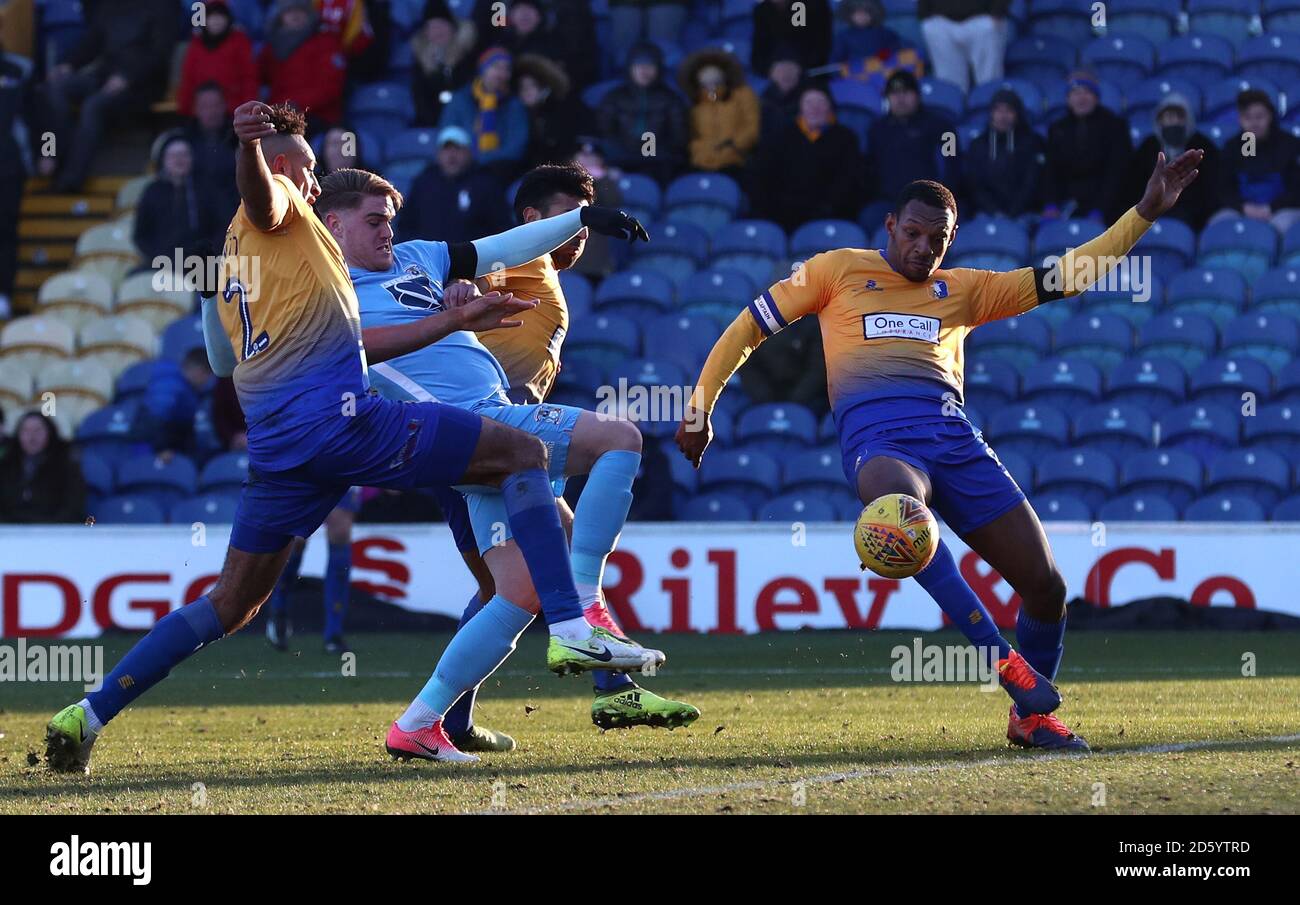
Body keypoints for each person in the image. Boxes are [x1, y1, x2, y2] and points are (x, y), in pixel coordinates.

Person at [43, 101, 664, 774]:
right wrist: (251, 150)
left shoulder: (242, 261)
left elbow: (222, 363)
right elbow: (265, 191)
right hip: (341, 420)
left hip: (277, 446)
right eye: (307, 168)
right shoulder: (283, 203)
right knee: (519, 451)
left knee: (231, 601)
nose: (313, 180)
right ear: (287, 169)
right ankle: (573, 628)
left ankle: (90, 711)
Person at [677, 153, 1205, 752]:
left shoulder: (965, 290)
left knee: (1047, 587)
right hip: (879, 442)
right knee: (903, 519)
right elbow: (749, 326)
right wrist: (700, 404)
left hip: (956, 443)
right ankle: (1005, 664)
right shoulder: (835, 271)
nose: (923, 248)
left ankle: (1031, 721)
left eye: (938, 239)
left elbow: (1067, 276)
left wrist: (1144, 214)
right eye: (913, 233)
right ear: (889, 226)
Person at [315, 164, 680, 760]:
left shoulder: (421, 257)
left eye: (390, 219)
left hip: (487, 434)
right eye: (374, 220)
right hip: (468, 425)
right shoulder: (330, 295)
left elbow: (500, 246)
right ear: (333, 223)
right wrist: (458, 312)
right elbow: (353, 352)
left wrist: (581, 218)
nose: (387, 231)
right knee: (621, 438)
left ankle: (419, 723)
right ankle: (585, 612)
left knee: (518, 591)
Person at [37, 0, 176, 191]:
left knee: (94, 105)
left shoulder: (163, 6)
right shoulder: (110, 6)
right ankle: (52, 154)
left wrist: (128, 77)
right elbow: (92, 42)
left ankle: (71, 178)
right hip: (106, 75)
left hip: (143, 85)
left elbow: (160, 53)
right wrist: (68, 64)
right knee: (56, 87)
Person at [756, 87, 863, 230]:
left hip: (831, 214)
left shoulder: (846, 137)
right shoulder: (780, 137)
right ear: (800, 107)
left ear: (830, 107)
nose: (815, 108)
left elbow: (849, 179)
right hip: (784, 215)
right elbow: (765, 177)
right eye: (809, 102)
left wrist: (828, 207)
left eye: (821, 102)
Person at [1041, 71, 1132, 223]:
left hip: (1105, 207)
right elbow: (1050, 171)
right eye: (1076, 93)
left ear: (1096, 97)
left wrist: (1101, 209)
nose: (1081, 98)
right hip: (1066, 206)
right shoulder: (1057, 129)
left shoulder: (1114, 126)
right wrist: (1050, 204)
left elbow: (1116, 174)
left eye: (1087, 92)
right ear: (1068, 99)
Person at [397, 125, 511, 243]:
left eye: (458, 148)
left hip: (473, 258)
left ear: (469, 153)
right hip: (430, 258)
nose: (451, 155)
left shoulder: (486, 184)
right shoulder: (423, 183)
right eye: (446, 149)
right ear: (438, 154)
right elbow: (406, 227)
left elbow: (501, 229)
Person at [1121, 94, 1218, 232]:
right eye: (1168, 118)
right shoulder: (1148, 147)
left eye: (1179, 118)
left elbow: (1212, 188)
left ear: (1188, 120)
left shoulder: (1202, 146)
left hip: (1193, 217)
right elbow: (1133, 187)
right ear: (1159, 122)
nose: (1173, 123)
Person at [596, 42, 687, 185]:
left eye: (650, 65)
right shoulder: (614, 97)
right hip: (619, 163)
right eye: (639, 65)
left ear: (659, 69)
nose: (644, 70)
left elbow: (678, 138)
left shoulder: (671, 99)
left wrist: (653, 154)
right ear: (630, 68)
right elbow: (604, 132)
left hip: (659, 165)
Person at [866, 69, 956, 210]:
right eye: (895, 93)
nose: (900, 99)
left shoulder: (943, 127)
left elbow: (952, 166)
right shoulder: (877, 129)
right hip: (888, 202)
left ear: (918, 96)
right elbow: (871, 169)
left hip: (930, 201)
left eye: (906, 92)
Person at [1214, 88, 1300, 233]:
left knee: (1280, 226)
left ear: (1270, 116)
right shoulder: (1232, 147)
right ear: (1240, 119)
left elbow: (1297, 190)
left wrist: (1271, 208)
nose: (1254, 123)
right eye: (1248, 118)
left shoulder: (1290, 145)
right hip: (1243, 209)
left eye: (1259, 117)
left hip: (1281, 210)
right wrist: (1243, 207)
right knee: (1219, 223)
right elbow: (1222, 189)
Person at [133, 133, 224, 271]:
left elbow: (221, 227)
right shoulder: (152, 192)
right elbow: (141, 235)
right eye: (173, 156)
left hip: (201, 264)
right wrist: (160, 258)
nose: (179, 160)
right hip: (160, 264)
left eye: (184, 155)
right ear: (163, 160)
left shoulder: (207, 190)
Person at [438, 47, 530, 178]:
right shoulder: (460, 100)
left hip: (500, 171)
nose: (501, 74)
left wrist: (482, 160)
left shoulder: (514, 106)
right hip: (461, 169)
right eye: (495, 67)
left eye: (506, 69)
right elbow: (447, 135)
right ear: (482, 69)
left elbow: (516, 147)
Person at [259, 0, 348, 130]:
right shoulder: (271, 48)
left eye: (300, 11)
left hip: (317, 117)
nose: (295, 15)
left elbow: (330, 87)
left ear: (310, 15)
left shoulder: (326, 42)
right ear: (280, 16)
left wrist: (295, 106)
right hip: (277, 117)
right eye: (289, 11)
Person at [962, 87, 1045, 221]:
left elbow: (1032, 182)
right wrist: (994, 211)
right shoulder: (978, 144)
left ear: (1017, 114)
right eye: (998, 110)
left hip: (1024, 213)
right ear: (991, 113)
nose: (1003, 116)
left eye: (1009, 110)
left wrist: (1013, 212)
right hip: (986, 213)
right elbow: (975, 185)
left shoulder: (1032, 142)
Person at [678, 49, 760, 177]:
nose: (711, 85)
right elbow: (691, 136)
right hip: (701, 163)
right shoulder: (695, 104)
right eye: (706, 81)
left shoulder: (743, 95)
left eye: (715, 80)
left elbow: (752, 127)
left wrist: (734, 147)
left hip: (737, 162)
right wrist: (701, 151)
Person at [176, 0, 258, 119]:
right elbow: (188, 78)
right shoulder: (196, 44)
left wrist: (249, 107)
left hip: (233, 110)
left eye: (220, 17)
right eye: (212, 18)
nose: (216, 22)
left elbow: (249, 78)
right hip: (201, 112)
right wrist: (184, 108)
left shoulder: (240, 42)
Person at [0, 412, 87, 523]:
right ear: (18, 435)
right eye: (26, 431)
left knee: (89, 522)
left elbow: (74, 506)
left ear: (49, 433)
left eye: (38, 430)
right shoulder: (5, 465)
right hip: (11, 532)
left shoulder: (67, 465)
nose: (32, 437)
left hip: (54, 531)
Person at [409, 0, 477, 128]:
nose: (437, 32)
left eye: (442, 25)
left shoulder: (467, 56)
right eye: (432, 27)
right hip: (433, 125)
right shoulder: (421, 64)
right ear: (426, 33)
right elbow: (421, 101)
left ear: (452, 28)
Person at [514, 54, 584, 172]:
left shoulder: (561, 108)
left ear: (543, 86)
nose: (527, 91)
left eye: (532, 85)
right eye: (522, 87)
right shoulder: (523, 113)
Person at [918, 0, 1007, 93]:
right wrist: (924, 14)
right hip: (941, 21)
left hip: (982, 19)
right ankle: (953, 104)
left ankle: (988, 101)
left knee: (989, 79)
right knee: (949, 85)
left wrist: (998, 12)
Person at [752, 0, 833, 73]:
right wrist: (772, 69)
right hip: (776, 77)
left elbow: (822, 49)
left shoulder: (815, 5)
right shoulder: (761, 11)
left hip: (811, 75)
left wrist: (795, 67)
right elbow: (758, 58)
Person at [829, 0, 901, 66]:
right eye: (857, 12)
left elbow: (898, 49)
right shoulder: (843, 36)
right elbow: (835, 60)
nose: (861, 16)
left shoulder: (884, 33)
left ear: (874, 13)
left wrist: (887, 53)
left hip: (881, 73)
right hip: (853, 76)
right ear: (849, 14)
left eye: (866, 12)